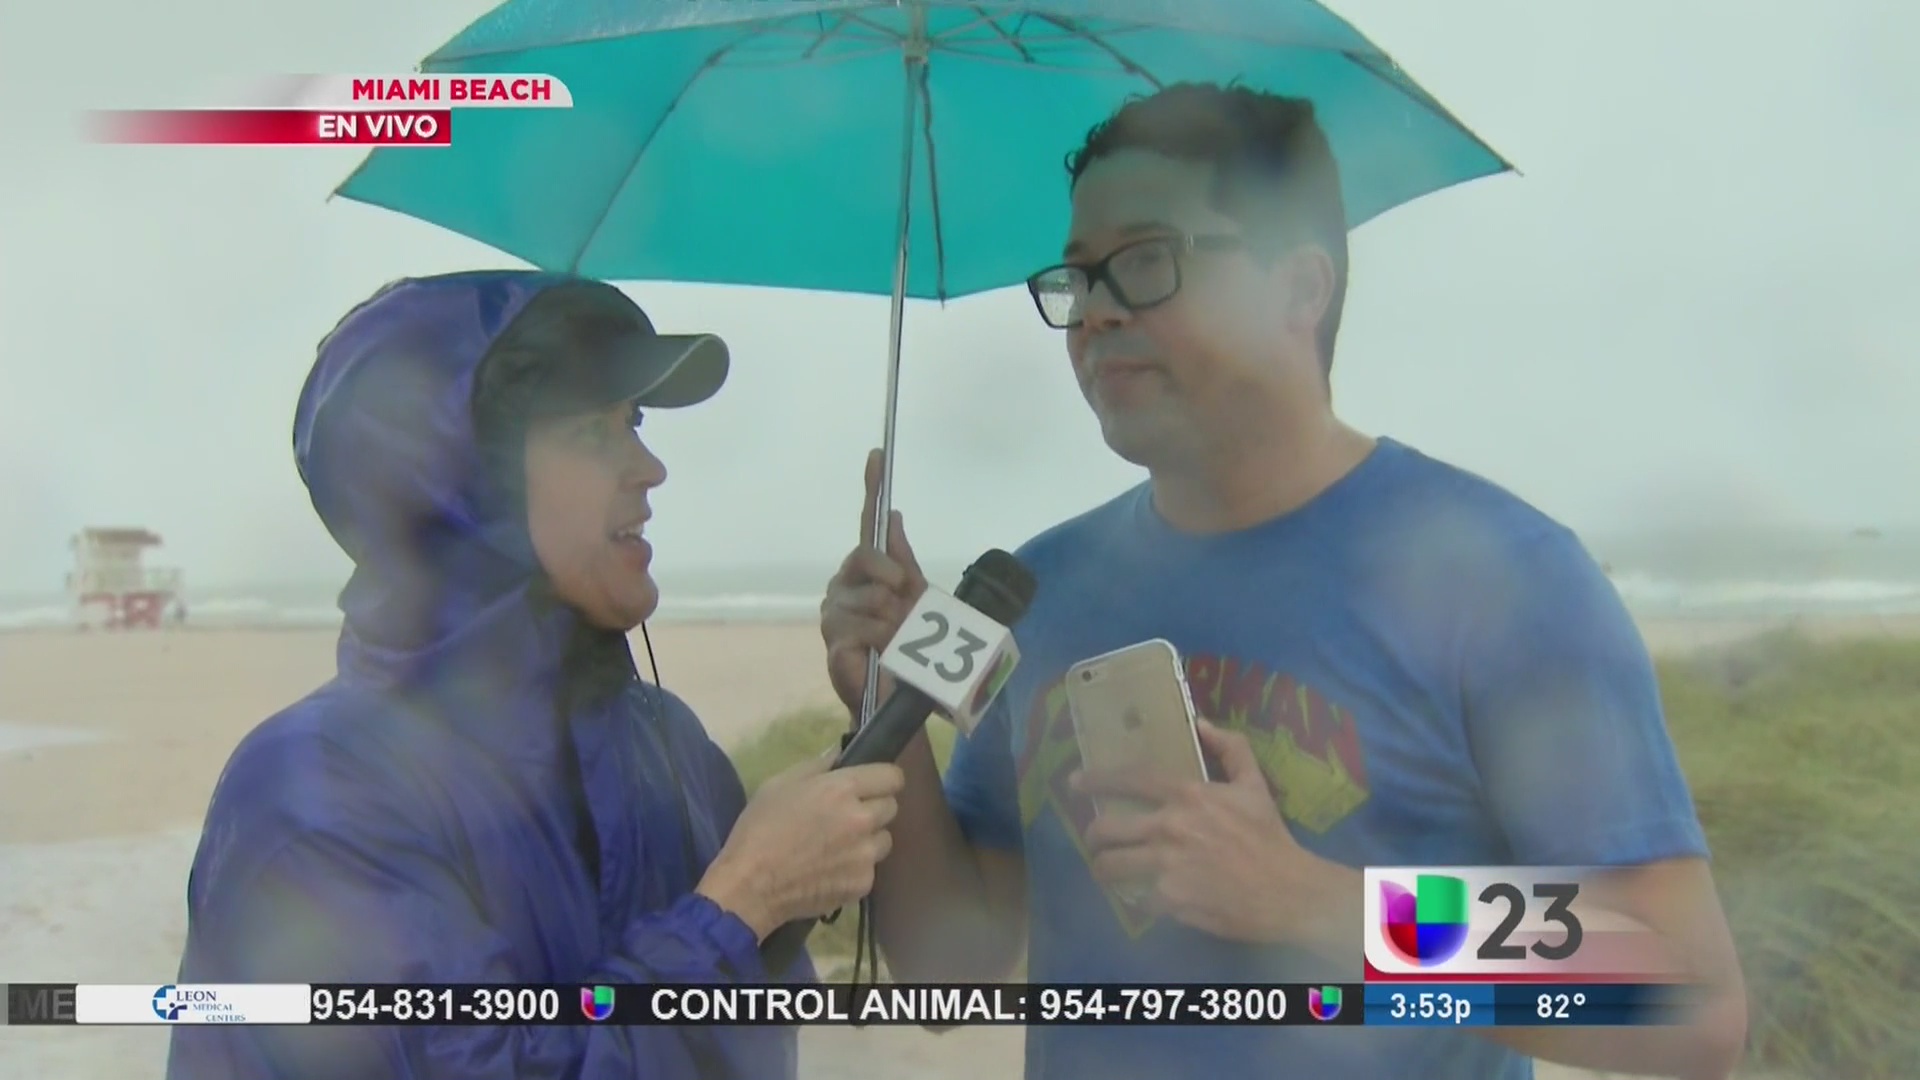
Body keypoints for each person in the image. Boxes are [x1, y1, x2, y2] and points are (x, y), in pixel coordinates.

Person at [820, 84, 1749, 1080]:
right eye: (1079, 279)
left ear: (1300, 288)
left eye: (1142, 263)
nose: (1093, 314)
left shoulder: (1506, 578)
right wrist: (892, 703)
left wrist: (1312, 905)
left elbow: (1683, 993)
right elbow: (952, 969)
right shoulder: (1033, 588)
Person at [167, 271, 903, 1080]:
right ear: (460, 483)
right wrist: (740, 904)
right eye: (594, 432)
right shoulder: (313, 790)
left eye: (637, 421)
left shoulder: (667, 743)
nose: (649, 467)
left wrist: (820, 838)